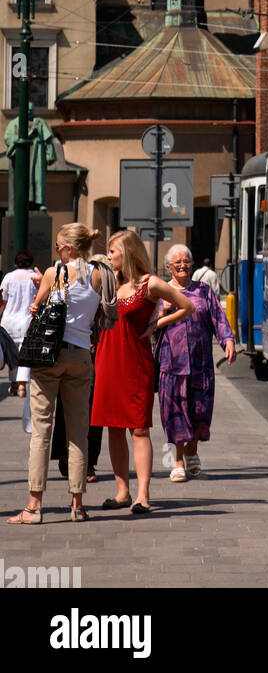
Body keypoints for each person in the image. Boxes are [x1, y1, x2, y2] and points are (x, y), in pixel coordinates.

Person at [90, 230, 194, 515]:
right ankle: (122, 492)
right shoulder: (109, 281)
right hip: (107, 359)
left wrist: (156, 324)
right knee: (112, 427)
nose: (109, 256)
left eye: (113, 251)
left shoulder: (150, 283)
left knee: (138, 428)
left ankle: (143, 495)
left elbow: (187, 306)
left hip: (136, 363)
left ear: (128, 253)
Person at [7, 225, 102, 525]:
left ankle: (34, 506)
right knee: (78, 431)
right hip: (81, 356)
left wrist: (38, 295)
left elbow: (37, 309)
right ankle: (78, 504)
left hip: (49, 357)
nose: (57, 250)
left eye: (60, 246)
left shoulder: (54, 272)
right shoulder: (98, 275)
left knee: (42, 432)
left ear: (70, 249)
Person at [156, 244, 235, 481]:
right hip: (172, 364)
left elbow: (218, 318)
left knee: (199, 410)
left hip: (201, 364)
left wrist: (227, 340)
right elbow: (146, 326)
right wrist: (162, 312)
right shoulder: (160, 292)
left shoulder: (203, 291)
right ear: (168, 266)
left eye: (187, 261)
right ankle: (178, 460)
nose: (182, 265)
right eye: (177, 262)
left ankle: (192, 451)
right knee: (176, 411)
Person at [0, 251, 41, 398]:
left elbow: (2, 300)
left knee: (12, 353)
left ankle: (13, 383)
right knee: (25, 352)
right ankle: (23, 384)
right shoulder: (36, 277)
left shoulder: (9, 277)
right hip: (27, 319)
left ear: (16, 263)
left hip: (9, 320)